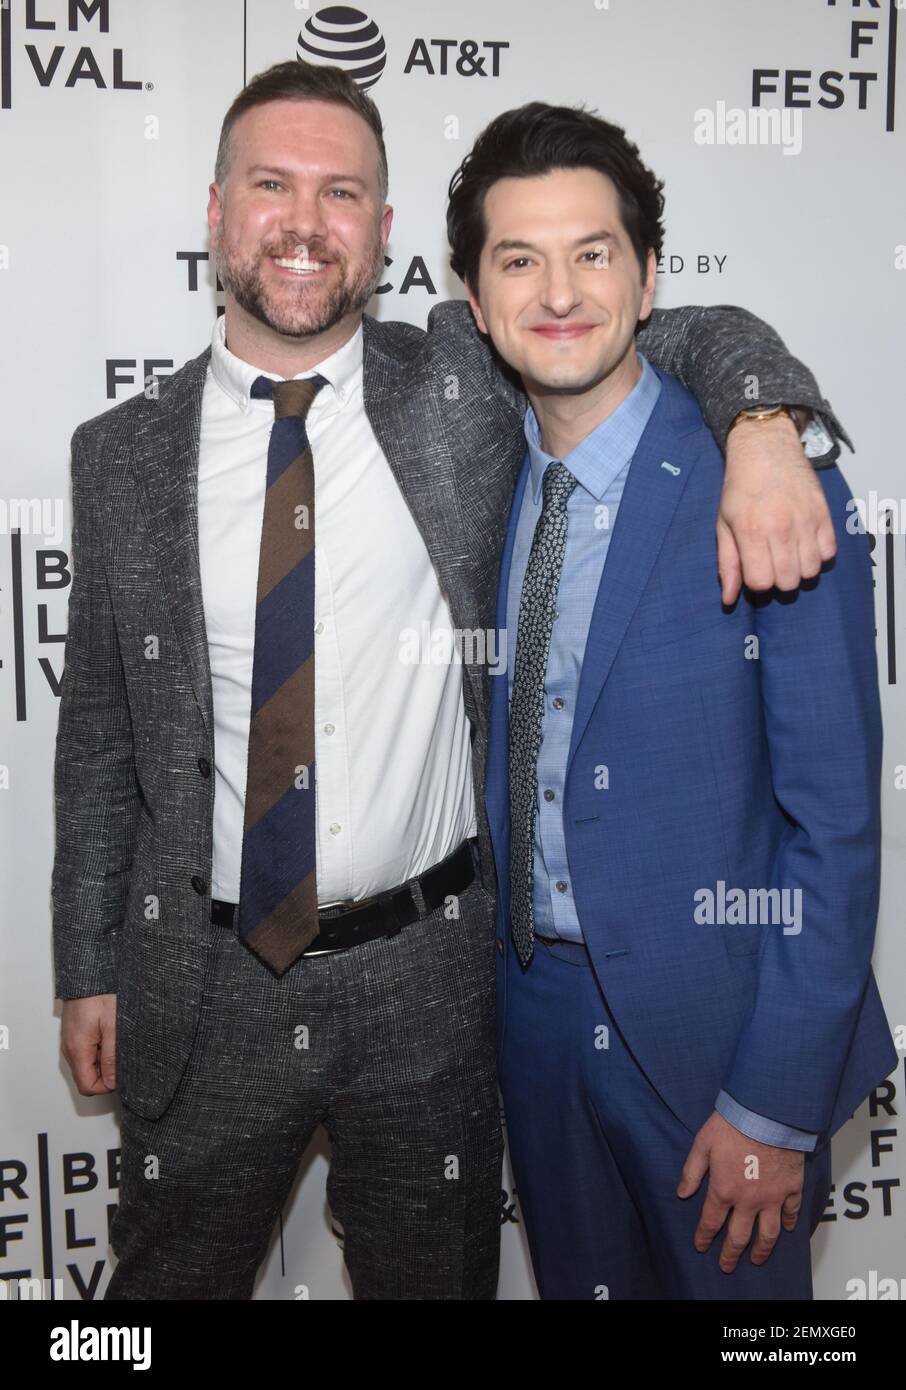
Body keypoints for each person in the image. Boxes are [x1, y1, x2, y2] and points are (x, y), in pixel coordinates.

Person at [53, 60, 852, 1301]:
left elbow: (660, 327)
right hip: (202, 984)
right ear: (215, 213)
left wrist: (763, 415)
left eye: (344, 193)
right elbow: (98, 731)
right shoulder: (117, 456)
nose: (305, 223)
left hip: (429, 982)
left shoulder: (451, 390)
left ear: (384, 234)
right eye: (272, 186)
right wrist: (86, 961)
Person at [448, 100, 898, 1299]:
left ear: (649, 279)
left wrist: (774, 1103)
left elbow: (834, 826)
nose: (559, 292)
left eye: (593, 254)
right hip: (533, 1021)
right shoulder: (479, 462)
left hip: (718, 1041)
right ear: (473, 295)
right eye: (520, 259)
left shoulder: (771, 492)